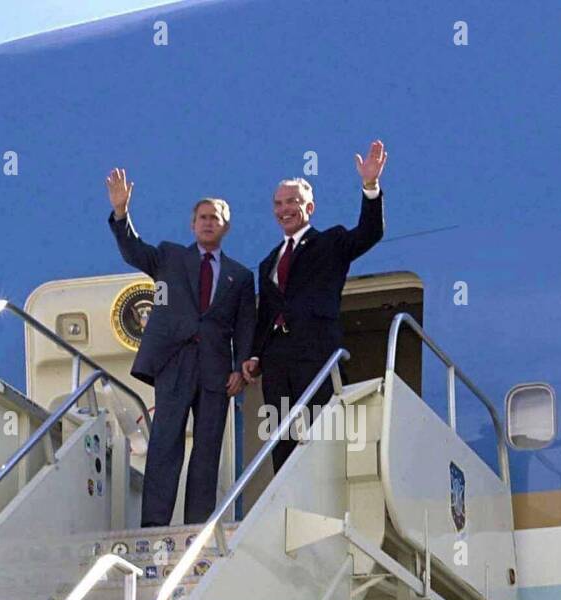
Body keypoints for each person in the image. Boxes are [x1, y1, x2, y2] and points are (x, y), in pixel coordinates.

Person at [106, 168, 256, 526]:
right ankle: (154, 527)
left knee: (206, 454)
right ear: (193, 225)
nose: (208, 223)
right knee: (164, 447)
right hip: (174, 364)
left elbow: (245, 325)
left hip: (217, 373)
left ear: (226, 227)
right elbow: (133, 251)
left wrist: (240, 368)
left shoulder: (241, 276)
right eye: (202, 218)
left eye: (215, 219)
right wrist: (121, 213)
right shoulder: (170, 257)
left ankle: (196, 528)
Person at [242, 140, 387, 471]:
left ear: (310, 207)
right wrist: (253, 354)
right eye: (278, 203)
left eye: (293, 201)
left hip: (316, 355)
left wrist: (370, 185)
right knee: (283, 439)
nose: (285, 208)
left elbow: (370, 232)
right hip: (277, 363)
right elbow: (266, 313)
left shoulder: (331, 242)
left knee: (322, 434)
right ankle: (288, 505)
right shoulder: (268, 262)